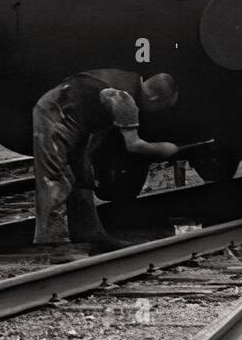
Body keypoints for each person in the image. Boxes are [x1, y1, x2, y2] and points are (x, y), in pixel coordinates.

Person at [32, 69, 179, 254]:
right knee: (55, 178)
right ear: (154, 98)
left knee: (83, 174)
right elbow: (133, 144)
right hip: (53, 116)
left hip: (76, 119)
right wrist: (167, 148)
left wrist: (85, 157)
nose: (159, 113)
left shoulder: (128, 79)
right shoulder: (125, 99)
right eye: (163, 107)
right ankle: (53, 245)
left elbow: (99, 121)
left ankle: (88, 232)